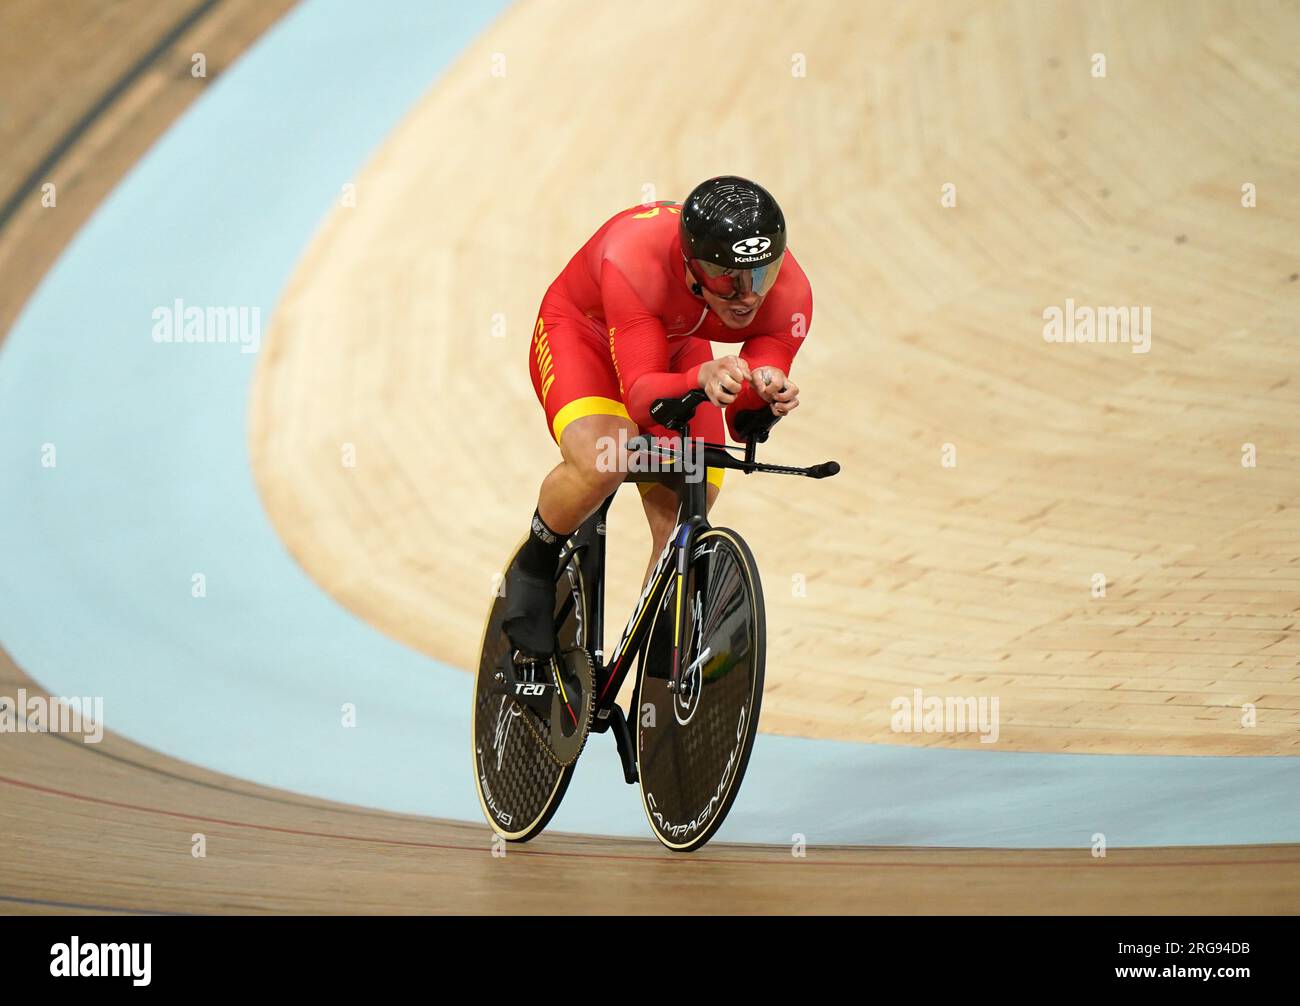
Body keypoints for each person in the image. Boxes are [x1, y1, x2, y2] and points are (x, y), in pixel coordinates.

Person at [505, 175, 813, 659]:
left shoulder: (789, 292)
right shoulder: (635, 259)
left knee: (692, 492)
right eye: (728, 277)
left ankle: (659, 663)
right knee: (605, 458)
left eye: (760, 274)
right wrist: (698, 379)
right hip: (584, 333)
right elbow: (641, 398)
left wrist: (765, 394)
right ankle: (534, 566)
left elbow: (741, 424)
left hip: (674, 341)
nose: (748, 295)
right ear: (692, 267)